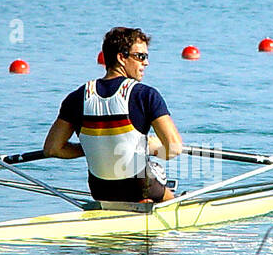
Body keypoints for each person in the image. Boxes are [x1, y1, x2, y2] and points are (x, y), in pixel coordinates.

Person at [44, 27, 183, 203]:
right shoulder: (146, 95)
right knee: (163, 187)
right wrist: (146, 146)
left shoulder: (76, 97)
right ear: (121, 58)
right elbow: (174, 148)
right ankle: (170, 202)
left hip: (100, 190)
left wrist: (96, 147)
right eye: (141, 56)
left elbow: (52, 149)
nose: (146, 63)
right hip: (140, 187)